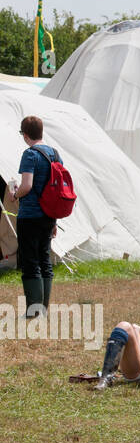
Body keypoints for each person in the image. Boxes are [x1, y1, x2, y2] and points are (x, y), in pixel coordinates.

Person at [10, 116, 61, 317]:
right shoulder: (55, 154)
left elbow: (27, 186)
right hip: (49, 215)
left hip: (30, 215)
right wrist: (55, 220)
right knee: (44, 259)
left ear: (25, 134)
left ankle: (34, 310)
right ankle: (44, 308)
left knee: (30, 260)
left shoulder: (30, 154)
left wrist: (15, 194)